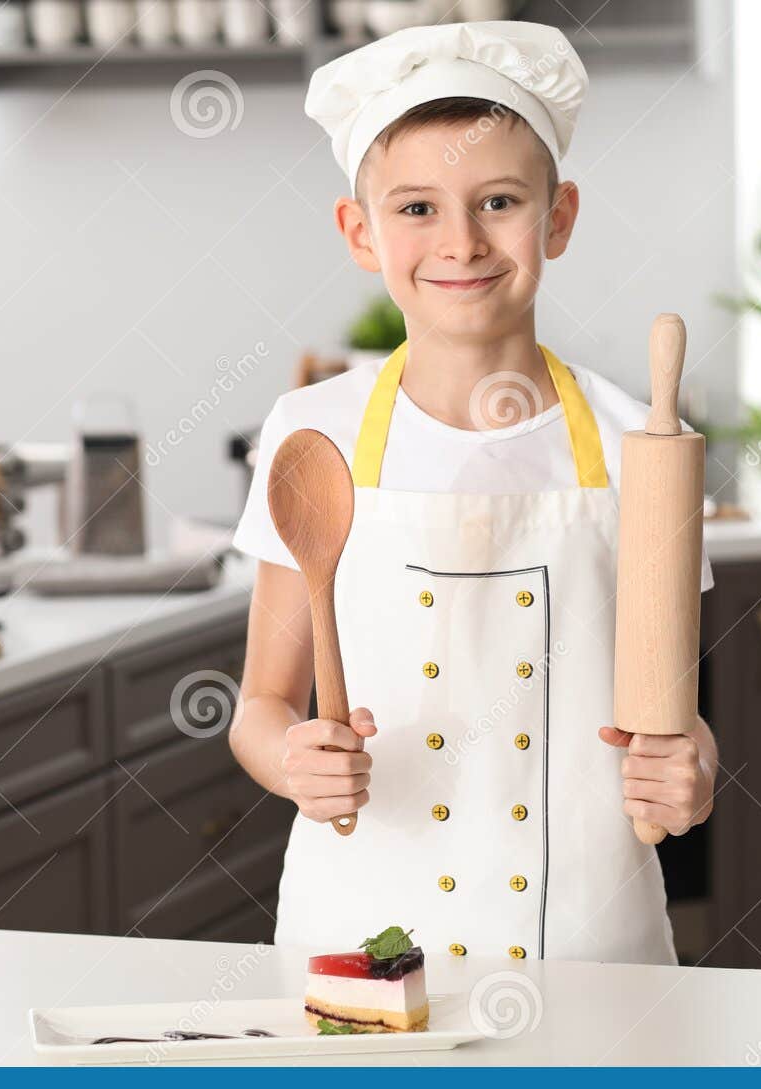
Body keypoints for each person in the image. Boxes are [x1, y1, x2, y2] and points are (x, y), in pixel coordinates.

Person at [228, 21, 718, 964]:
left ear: (558, 218)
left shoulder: (641, 448)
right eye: (416, 208)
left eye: (499, 201)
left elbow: (673, 714)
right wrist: (292, 762)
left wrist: (691, 769)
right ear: (359, 232)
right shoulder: (310, 434)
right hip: (360, 937)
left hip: (587, 941)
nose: (460, 241)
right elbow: (260, 703)